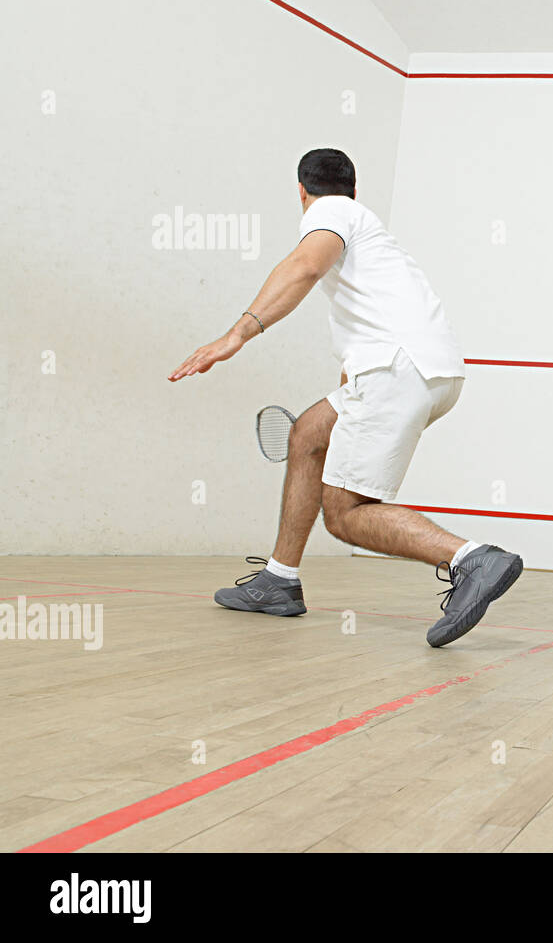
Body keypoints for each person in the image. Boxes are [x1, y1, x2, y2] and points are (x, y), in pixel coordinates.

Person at [168, 148, 521, 647]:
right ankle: (278, 581)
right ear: (355, 187)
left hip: (397, 370)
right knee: (308, 433)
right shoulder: (367, 226)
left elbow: (305, 268)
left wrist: (235, 336)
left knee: (345, 514)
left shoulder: (329, 211)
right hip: (429, 371)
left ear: (302, 192)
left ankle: (473, 558)